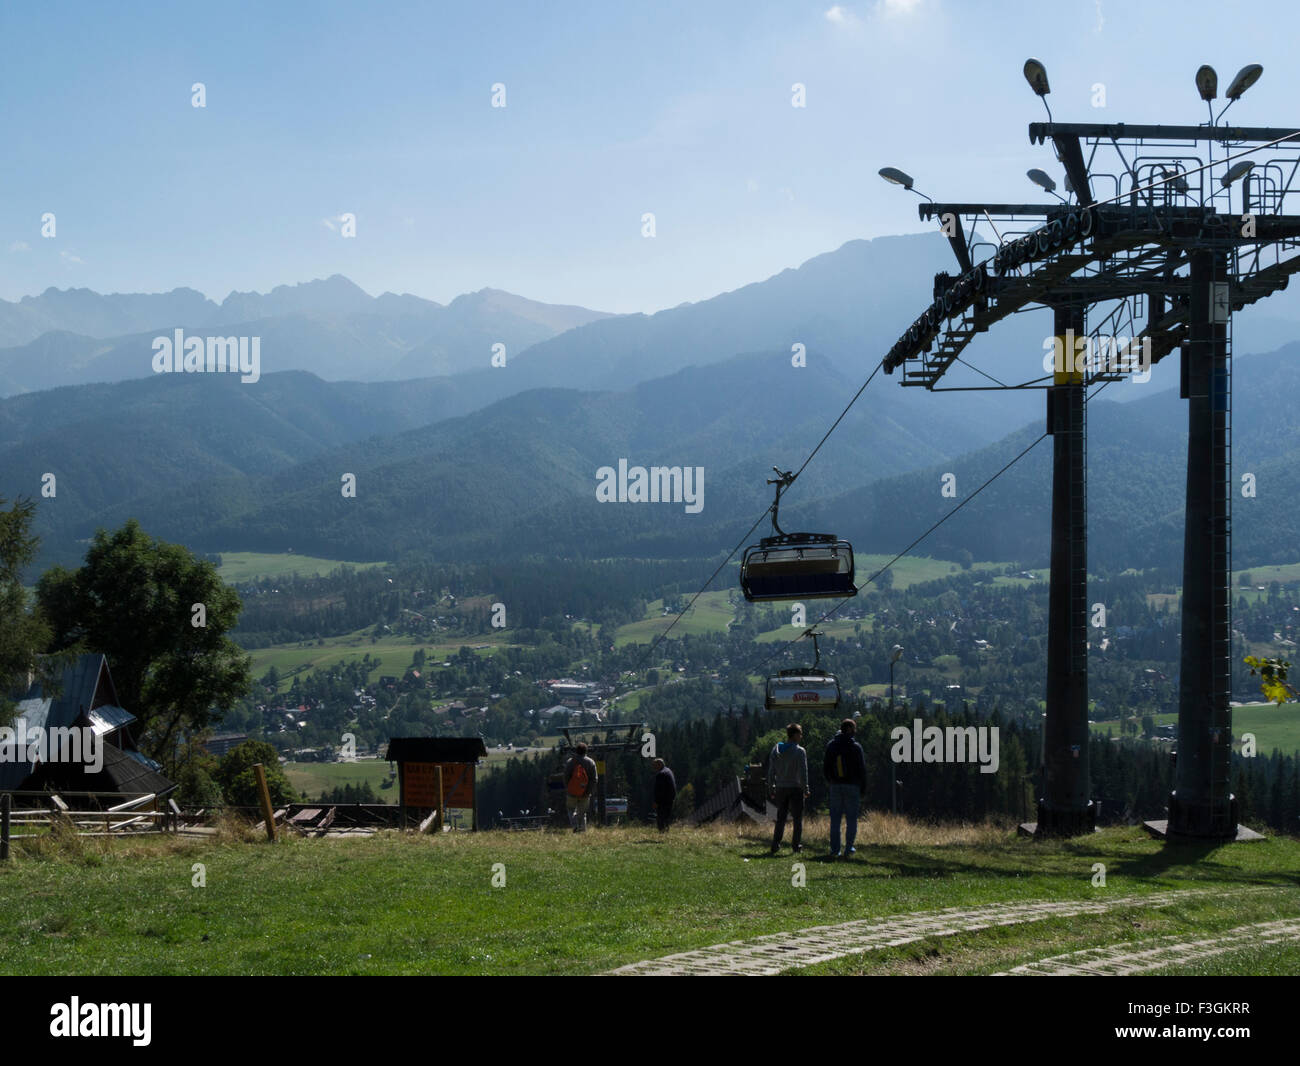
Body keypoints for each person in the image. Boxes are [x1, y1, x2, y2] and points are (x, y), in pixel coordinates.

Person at [824, 717, 868, 859]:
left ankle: (835, 849)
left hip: (835, 785)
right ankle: (849, 847)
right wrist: (863, 787)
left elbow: (825, 766)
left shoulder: (831, 745)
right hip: (852, 785)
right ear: (852, 730)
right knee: (851, 819)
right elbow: (862, 769)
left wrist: (830, 780)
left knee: (835, 819)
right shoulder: (856, 747)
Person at [767, 723, 809, 854]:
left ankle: (775, 844)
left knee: (781, 818)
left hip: (780, 787)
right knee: (797, 819)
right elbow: (803, 772)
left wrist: (771, 788)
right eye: (800, 734)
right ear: (795, 735)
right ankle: (796, 846)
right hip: (796, 788)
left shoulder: (776, 750)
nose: (801, 736)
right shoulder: (800, 751)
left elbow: (771, 771)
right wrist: (806, 788)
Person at [564, 742, 598, 833]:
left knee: (571, 809)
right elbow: (594, 779)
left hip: (572, 792)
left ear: (576, 751)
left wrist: (569, 788)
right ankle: (582, 830)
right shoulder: (591, 762)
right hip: (585, 793)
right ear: (586, 751)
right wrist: (589, 791)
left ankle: (574, 825)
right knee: (582, 813)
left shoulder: (570, 762)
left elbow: (566, 777)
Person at [651, 758, 677, 832]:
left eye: (655, 765)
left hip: (663, 801)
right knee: (666, 818)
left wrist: (656, 802)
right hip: (670, 799)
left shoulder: (661, 774)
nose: (654, 767)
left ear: (659, 765)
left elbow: (659, 790)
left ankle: (662, 834)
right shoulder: (668, 771)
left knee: (661, 818)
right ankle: (665, 833)